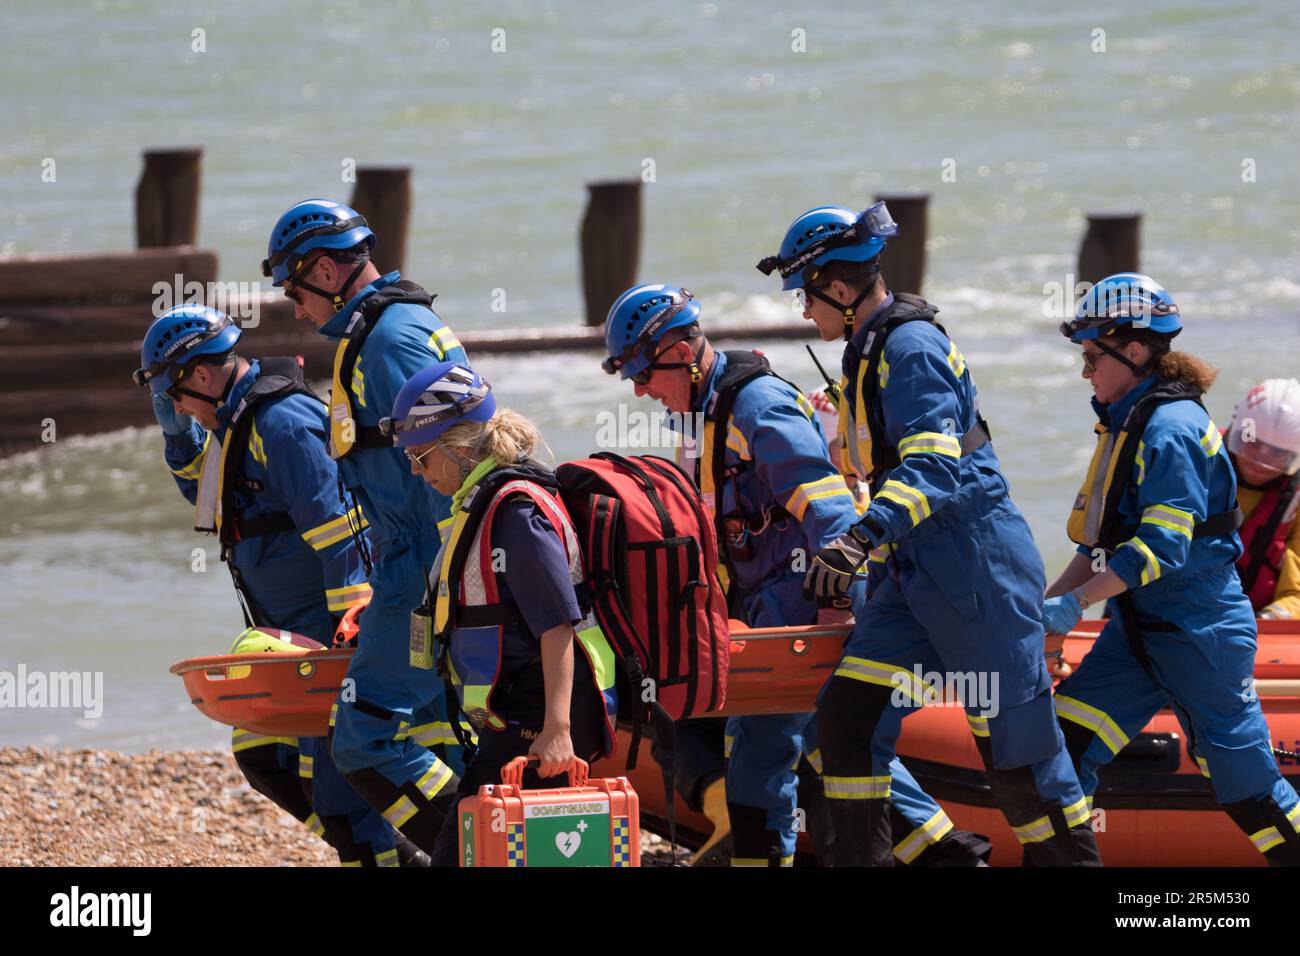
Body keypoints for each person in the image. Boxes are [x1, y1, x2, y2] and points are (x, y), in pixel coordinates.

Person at [602, 282, 990, 867]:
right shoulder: (708, 413)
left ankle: (953, 857)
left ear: (682, 353)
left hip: (809, 601)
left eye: (643, 374)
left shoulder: (756, 406)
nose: (640, 390)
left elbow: (826, 505)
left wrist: (836, 605)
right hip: (773, 606)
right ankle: (950, 856)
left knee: (780, 750)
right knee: (797, 747)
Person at [760, 203, 1099, 866]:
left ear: (837, 286)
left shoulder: (909, 347)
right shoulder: (872, 348)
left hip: (976, 570)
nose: (804, 312)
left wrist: (859, 538)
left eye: (805, 294)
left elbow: (933, 467)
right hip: (914, 575)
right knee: (846, 724)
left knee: (1022, 762)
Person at [135, 304, 406, 866]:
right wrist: (179, 437)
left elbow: (342, 535)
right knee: (263, 755)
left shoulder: (281, 425)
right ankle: (384, 848)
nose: (176, 405)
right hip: (288, 634)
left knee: (341, 795)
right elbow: (209, 498)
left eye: (177, 395)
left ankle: (390, 854)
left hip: (328, 634)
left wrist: (348, 634)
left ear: (203, 376)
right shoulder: (237, 421)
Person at [1042, 273, 1300, 865]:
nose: (1085, 372)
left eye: (1090, 356)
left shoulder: (1171, 429)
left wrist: (1074, 606)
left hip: (1200, 636)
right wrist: (1045, 608)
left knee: (1251, 792)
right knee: (1059, 753)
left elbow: (1161, 548)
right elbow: (1099, 546)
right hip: (1138, 635)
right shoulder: (1127, 420)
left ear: (1133, 351)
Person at [263, 199, 469, 853]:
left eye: (295, 291)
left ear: (325, 271)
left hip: (426, 569)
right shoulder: (387, 328)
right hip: (407, 570)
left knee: (366, 737)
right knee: (437, 735)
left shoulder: (391, 339)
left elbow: (461, 459)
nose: (296, 308)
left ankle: (474, 851)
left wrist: (444, 585)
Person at [385, 362, 619, 866]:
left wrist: (558, 732)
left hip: (541, 715)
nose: (416, 472)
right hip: (513, 713)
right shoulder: (481, 504)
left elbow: (557, 624)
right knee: (494, 849)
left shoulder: (515, 512)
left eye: (421, 457)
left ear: (461, 448)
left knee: (462, 853)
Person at [1224, 379, 1300, 619]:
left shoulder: (1296, 502)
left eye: (1278, 453)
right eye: (1253, 443)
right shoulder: (1195, 464)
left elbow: (1296, 595)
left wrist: (1267, 620)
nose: (1260, 459)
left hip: (1254, 624)